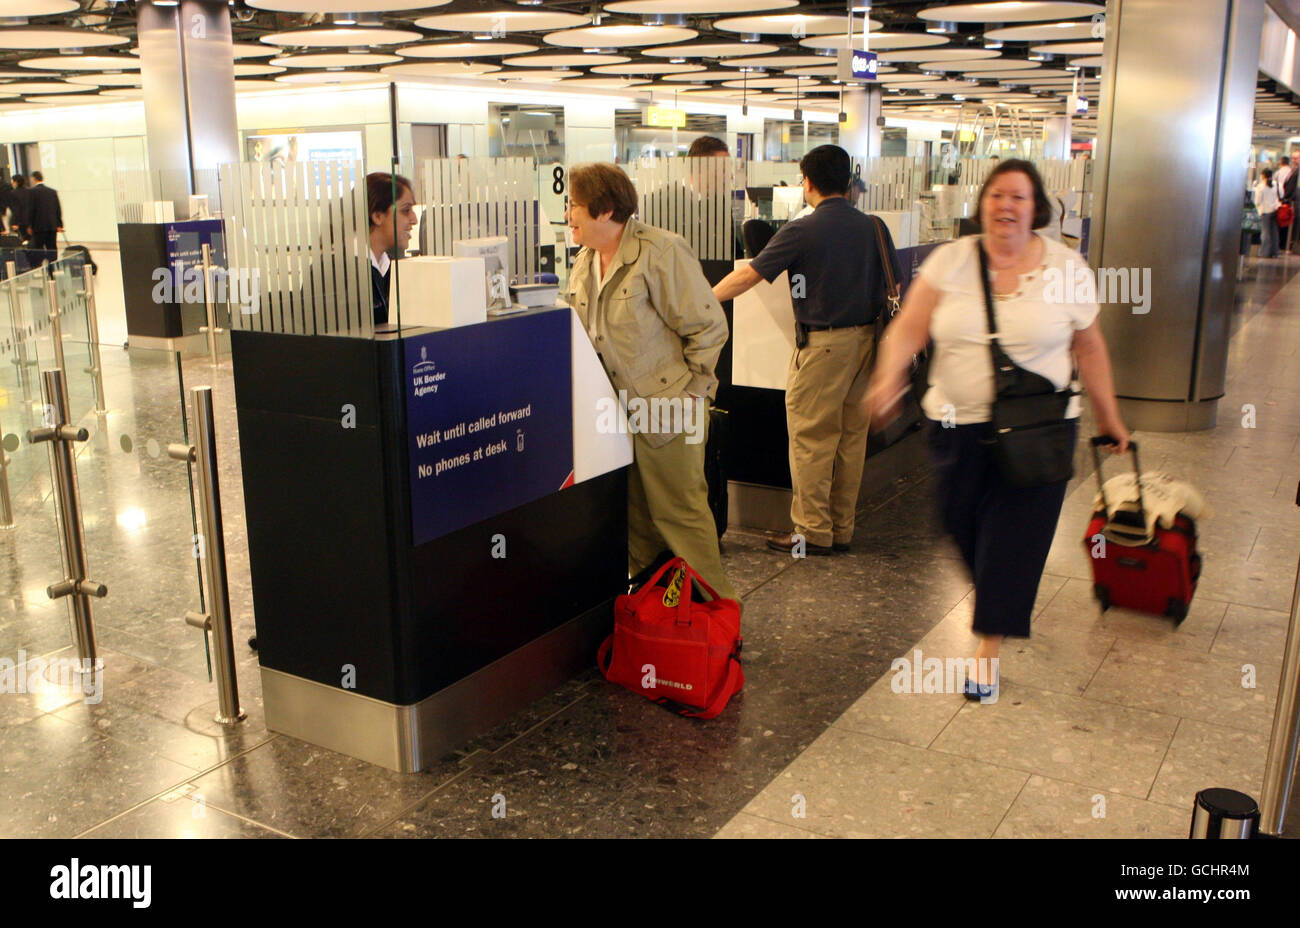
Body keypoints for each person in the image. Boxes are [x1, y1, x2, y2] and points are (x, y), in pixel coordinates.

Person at [864, 158, 1130, 701]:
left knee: (1012, 541)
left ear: (1036, 211)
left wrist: (1110, 415)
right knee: (957, 525)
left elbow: (1089, 346)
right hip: (954, 429)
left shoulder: (1065, 268)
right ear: (983, 203)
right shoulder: (951, 261)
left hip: (1037, 432)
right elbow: (908, 329)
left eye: (1018, 198)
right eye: (997, 196)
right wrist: (887, 379)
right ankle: (999, 600)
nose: (1006, 206)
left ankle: (987, 648)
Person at [713, 144, 901, 557]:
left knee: (813, 438)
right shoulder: (875, 226)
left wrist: (705, 300)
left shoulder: (803, 229)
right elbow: (895, 286)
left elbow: (751, 275)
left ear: (808, 182)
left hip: (824, 348)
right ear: (849, 182)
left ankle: (813, 532)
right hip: (869, 344)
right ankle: (841, 527)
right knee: (851, 439)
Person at [563, 162, 736, 601]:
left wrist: (692, 397)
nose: (569, 214)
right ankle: (656, 615)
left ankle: (719, 618)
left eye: (575, 205)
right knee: (637, 522)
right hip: (613, 414)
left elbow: (709, 327)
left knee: (680, 515)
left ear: (604, 211)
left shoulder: (659, 251)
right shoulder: (584, 263)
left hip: (668, 410)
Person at [366, 171, 415, 326]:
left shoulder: (389, 268)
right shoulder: (337, 273)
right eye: (406, 210)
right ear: (378, 216)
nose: (414, 219)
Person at [27, 171, 62, 252]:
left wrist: (30, 225)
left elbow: (31, 209)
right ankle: (52, 263)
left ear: (33, 178)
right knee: (52, 248)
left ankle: (40, 264)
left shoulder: (32, 192)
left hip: (38, 226)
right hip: (52, 225)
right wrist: (59, 224)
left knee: (38, 249)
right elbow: (57, 208)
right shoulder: (52, 191)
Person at [1254, 168, 1280, 259]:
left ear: (1263, 175)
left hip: (1265, 211)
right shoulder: (1276, 184)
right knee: (1274, 232)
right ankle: (1275, 252)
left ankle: (1264, 252)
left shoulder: (1260, 187)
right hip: (1275, 210)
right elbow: (1281, 195)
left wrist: (1258, 209)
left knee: (1265, 232)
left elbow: (1257, 201)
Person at [10, 174, 30, 240]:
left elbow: (15, 209)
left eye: (13, 181)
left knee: (23, 239)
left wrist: (14, 222)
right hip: (30, 219)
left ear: (16, 182)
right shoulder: (30, 191)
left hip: (21, 221)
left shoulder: (14, 193)